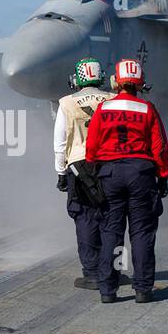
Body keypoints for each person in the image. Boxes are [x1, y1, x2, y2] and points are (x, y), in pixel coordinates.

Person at [85, 58, 168, 304]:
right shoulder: (147, 108)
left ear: (117, 82)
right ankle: (142, 289)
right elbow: (160, 147)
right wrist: (163, 177)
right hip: (141, 174)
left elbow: (91, 146)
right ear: (141, 82)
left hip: (110, 174)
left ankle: (108, 290)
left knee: (111, 233)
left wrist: (94, 170)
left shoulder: (104, 108)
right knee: (142, 233)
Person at [53, 57, 113, 290]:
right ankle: (113, 270)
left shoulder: (66, 103)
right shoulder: (113, 99)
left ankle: (92, 273)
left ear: (77, 79)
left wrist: (60, 172)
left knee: (85, 218)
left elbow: (60, 142)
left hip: (79, 166)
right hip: (110, 163)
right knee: (112, 218)